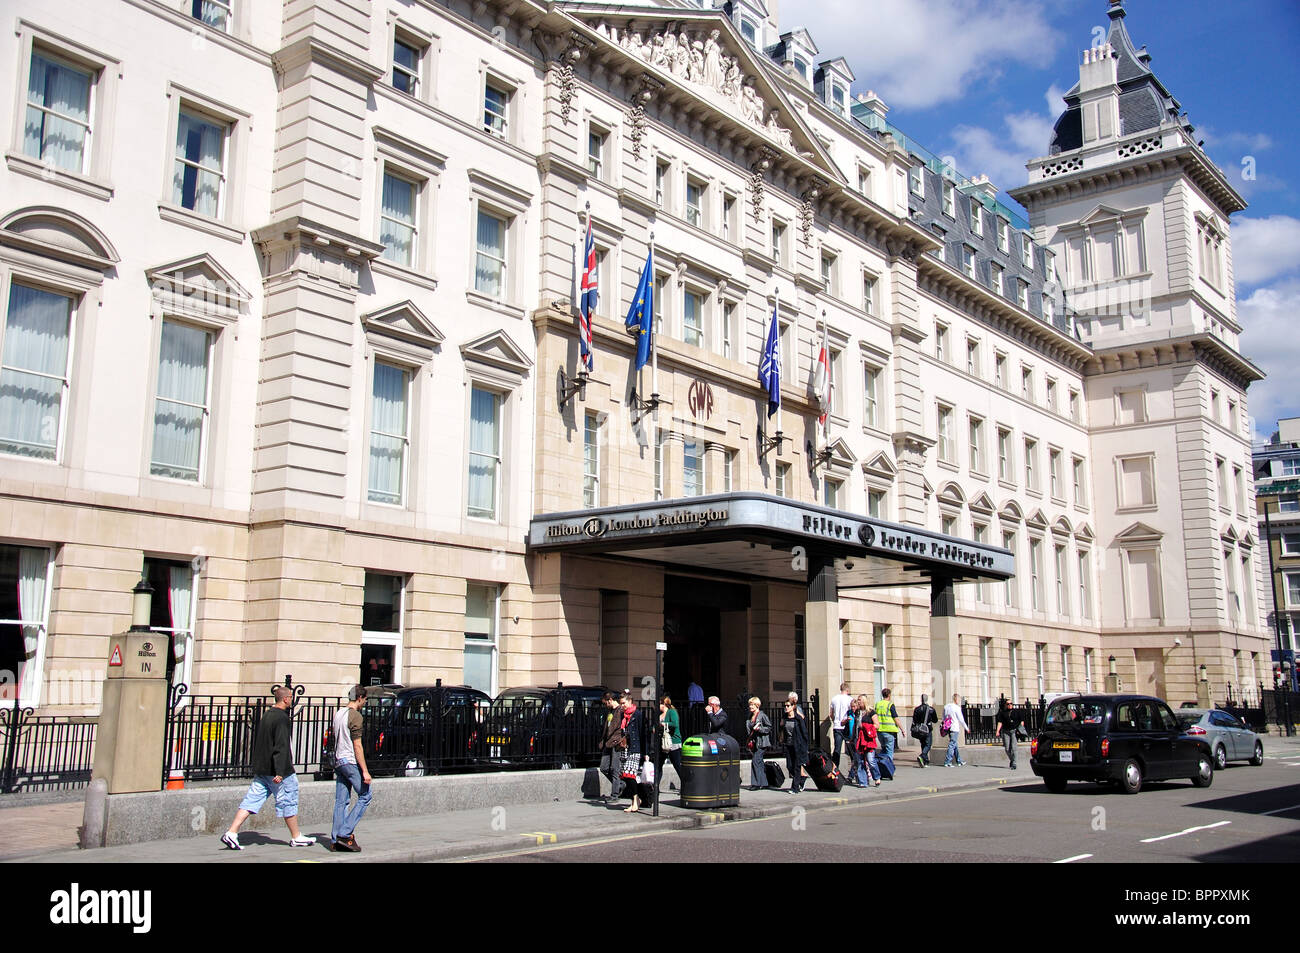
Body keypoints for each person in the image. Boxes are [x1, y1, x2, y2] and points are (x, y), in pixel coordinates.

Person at [220, 686, 314, 849]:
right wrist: (280, 771)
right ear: (285, 699)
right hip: (279, 770)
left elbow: (263, 743)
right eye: (291, 697)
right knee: (288, 799)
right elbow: (281, 745)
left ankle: (232, 832)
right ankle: (296, 836)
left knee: (252, 800)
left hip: (263, 769)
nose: (292, 700)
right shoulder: (281, 718)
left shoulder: (267, 715)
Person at [330, 685, 373, 852]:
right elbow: (357, 746)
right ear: (360, 698)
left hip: (338, 760)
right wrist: (365, 770)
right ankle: (345, 833)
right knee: (365, 795)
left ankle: (335, 840)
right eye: (364, 700)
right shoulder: (355, 716)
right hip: (349, 761)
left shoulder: (339, 713)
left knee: (341, 801)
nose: (364, 703)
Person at [619, 692, 644, 813]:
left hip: (635, 748)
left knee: (630, 774)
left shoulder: (637, 715)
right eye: (621, 703)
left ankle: (635, 800)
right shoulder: (623, 716)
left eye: (623, 703)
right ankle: (635, 800)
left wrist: (646, 752)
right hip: (625, 749)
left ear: (630, 702)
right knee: (625, 775)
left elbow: (642, 733)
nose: (622, 705)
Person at [598, 691, 625, 801]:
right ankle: (620, 784)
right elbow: (607, 727)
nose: (605, 705)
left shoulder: (620, 711)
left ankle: (614, 794)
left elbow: (617, 727)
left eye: (606, 703)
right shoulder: (611, 711)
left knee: (615, 768)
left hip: (616, 742)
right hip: (607, 742)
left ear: (610, 700)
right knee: (604, 767)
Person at [781, 694, 809, 793]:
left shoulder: (798, 719)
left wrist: (805, 747)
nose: (786, 707)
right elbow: (782, 730)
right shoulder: (784, 717)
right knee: (790, 766)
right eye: (785, 706)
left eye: (788, 706)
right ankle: (801, 779)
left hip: (798, 745)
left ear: (793, 707)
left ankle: (795, 788)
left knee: (797, 766)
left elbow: (804, 733)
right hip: (788, 745)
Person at [872, 687, 901, 780]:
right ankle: (889, 770)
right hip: (889, 731)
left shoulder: (877, 704)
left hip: (880, 731)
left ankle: (881, 768)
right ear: (889, 695)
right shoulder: (890, 705)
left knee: (883, 750)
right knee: (889, 752)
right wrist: (902, 729)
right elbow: (895, 718)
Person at [745, 696, 772, 790]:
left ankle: (756, 784)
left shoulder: (762, 715)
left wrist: (759, 729)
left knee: (755, 761)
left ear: (757, 705)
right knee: (759, 762)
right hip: (754, 742)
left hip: (762, 743)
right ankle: (763, 783)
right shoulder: (750, 716)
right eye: (749, 705)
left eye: (752, 704)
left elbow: (769, 727)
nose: (750, 706)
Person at [657, 695, 683, 791]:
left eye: (659, 703)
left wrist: (664, 724)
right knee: (658, 765)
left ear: (663, 703)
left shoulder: (672, 712)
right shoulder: (660, 715)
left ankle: (685, 785)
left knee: (677, 765)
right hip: (663, 743)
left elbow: (675, 724)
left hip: (673, 742)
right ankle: (656, 787)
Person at [854, 694, 880, 787]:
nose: (858, 701)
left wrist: (866, 727)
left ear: (864, 701)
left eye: (860, 700)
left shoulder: (871, 712)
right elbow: (855, 725)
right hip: (859, 739)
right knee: (860, 761)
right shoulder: (857, 712)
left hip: (868, 740)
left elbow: (877, 725)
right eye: (858, 700)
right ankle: (863, 782)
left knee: (871, 760)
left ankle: (877, 777)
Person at [829, 682, 852, 776]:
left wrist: (835, 720)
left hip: (837, 726)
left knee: (837, 749)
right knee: (851, 749)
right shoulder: (850, 699)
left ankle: (835, 769)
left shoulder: (834, 699)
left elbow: (831, 714)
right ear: (847, 690)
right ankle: (853, 770)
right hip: (847, 726)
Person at [943, 693, 971, 767]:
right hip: (954, 728)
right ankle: (948, 761)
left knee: (954, 744)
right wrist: (966, 728)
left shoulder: (946, 706)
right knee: (952, 744)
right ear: (957, 699)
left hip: (948, 727)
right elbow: (961, 720)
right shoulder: (957, 708)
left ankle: (959, 760)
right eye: (959, 699)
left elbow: (944, 717)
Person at [912, 693, 939, 768]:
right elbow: (935, 720)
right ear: (927, 699)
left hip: (919, 729)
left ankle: (925, 761)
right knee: (928, 744)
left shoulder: (917, 709)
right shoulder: (931, 709)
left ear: (921, 700)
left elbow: (914, 719)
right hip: (928, 729)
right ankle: (922, 756)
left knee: (923, 744)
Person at [995, 697, 1021, 770]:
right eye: (1008, 704)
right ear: (1005, 705)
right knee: (1007, 748)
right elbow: (1000, 722)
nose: (1009, 705)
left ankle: (1014, 763)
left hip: (1014, 731)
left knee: (1014, 747)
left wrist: (1020, 730)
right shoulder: (1002, 713)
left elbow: (1021, 721)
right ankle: (1012, 760)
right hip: (1005, 731)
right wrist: (997, 731)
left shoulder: (1016, 712)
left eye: (1011, 704)